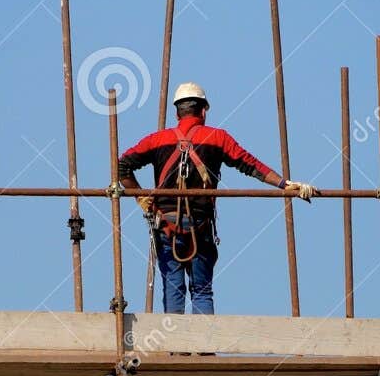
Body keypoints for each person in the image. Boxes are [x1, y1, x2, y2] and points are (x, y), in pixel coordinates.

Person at [116, 81, 316, 314]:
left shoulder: (157, 139)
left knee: (173, 287)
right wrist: (284, 184)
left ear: (176, 112)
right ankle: (203, 348)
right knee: (201, 290)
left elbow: (121, 167)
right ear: (203, 110)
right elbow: (251, 165)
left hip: (166, 227)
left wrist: (140, 197)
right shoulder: (217, 138)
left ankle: (176, 347)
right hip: (200, 228)